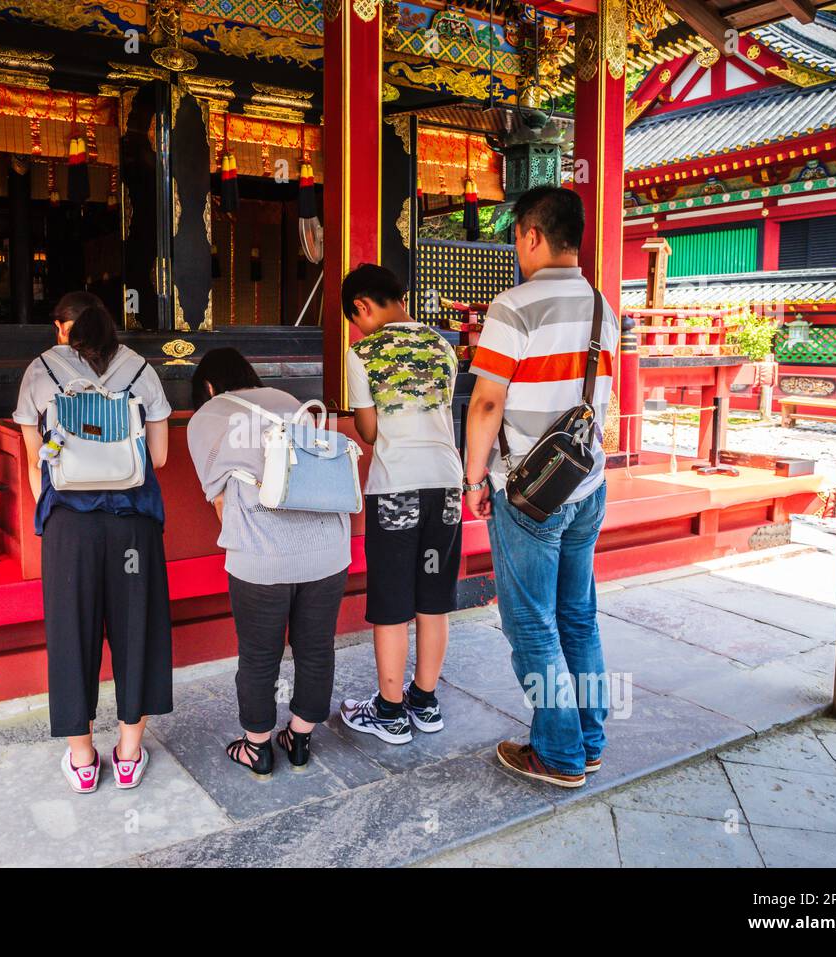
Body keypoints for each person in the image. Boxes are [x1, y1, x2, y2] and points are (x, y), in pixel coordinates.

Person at [463, 186, 619, 790]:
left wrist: (474, 479)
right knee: (578, 616)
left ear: (530, 235)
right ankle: (590, 738)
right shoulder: (605, 307)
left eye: (516, 238)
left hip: (530, 492)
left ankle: (557, 752)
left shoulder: (515, 307)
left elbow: (486, 401)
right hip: (587, 482)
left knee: (530, 623)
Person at [12, 291, 174, 794]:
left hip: (70, 528)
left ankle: (83, 761)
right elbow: (161, 458)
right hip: (133, 524)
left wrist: (63, 497)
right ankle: (128, 755)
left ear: (62, 328)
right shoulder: (141, 370)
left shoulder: (41, 370)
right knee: (137, 628)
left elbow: (37, 461)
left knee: (70, 632)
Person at [186, 348, 351, 775]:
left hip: (262, 557)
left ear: (207, 386)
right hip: (327, 548)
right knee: (316, 648)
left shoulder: (207, 416)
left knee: (260, 655)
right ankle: (299, 739)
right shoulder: (290, 401)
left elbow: (221, 501)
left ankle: (256, 747)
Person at [335, 264, 462, 745]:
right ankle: (425, 703)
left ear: (362, 307)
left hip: (396, 488)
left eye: (355, 318)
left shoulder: (362, 352)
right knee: (434, 600)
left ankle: (389, 711)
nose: (358, 327)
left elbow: (369, 432)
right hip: (446, 485)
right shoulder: (443, 345)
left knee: (391, 602)